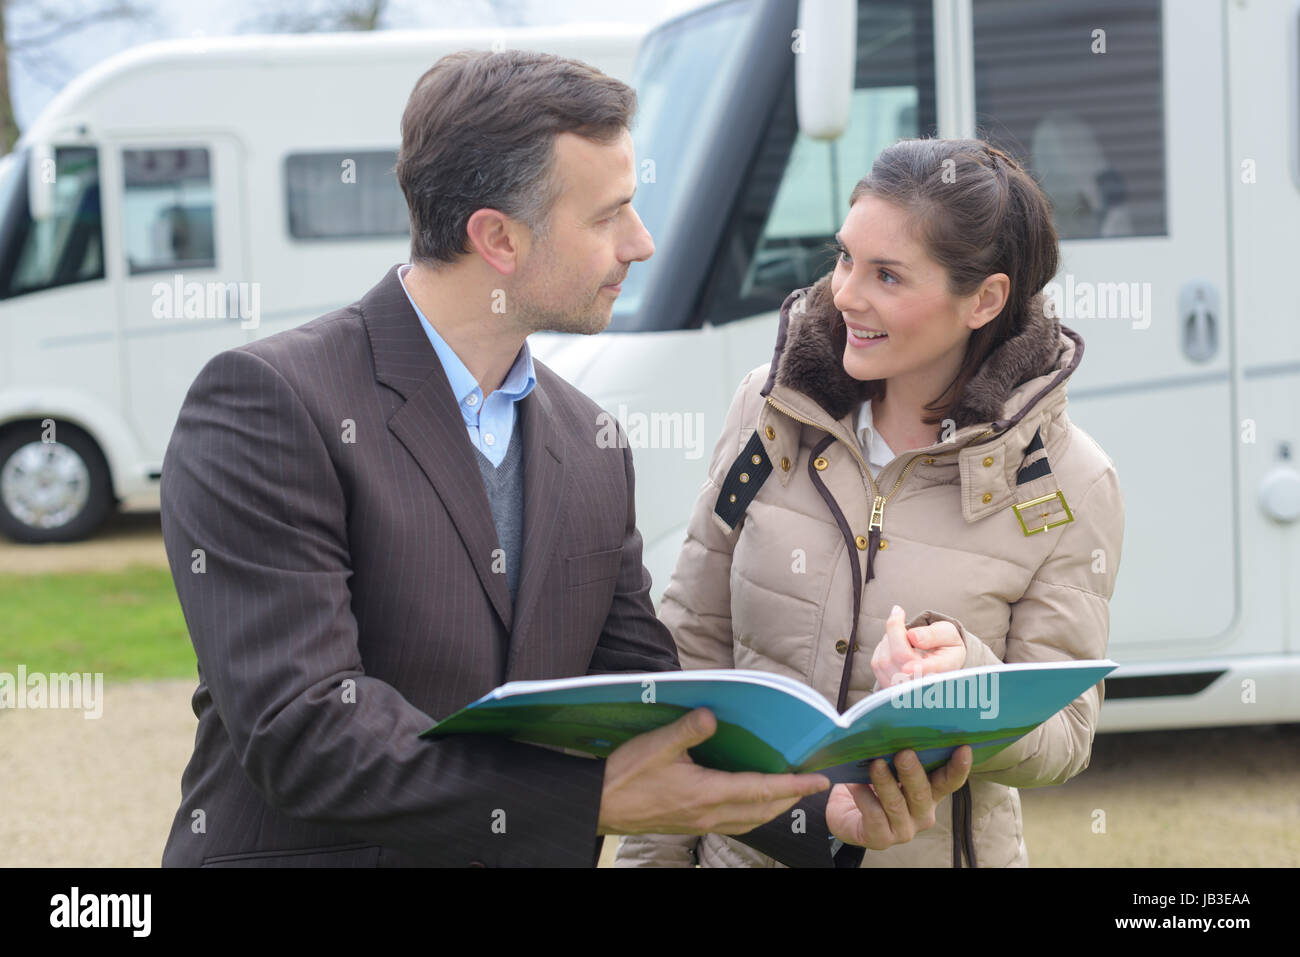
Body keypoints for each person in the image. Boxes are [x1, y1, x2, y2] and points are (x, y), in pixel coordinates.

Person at [158, 51, 972, 868]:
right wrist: (588, 799)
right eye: (608, 216)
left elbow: (654, 703)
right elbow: (302, 727)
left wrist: (823, 812)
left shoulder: (589, 439)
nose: (641, 242)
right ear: (498, 239)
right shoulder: (267, 403)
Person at [616, 137, 1125, 868]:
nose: (846, 292)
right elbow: (691, 654)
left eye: (887, 274)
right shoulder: (766, 408)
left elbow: (1065, 741)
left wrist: (973, 682)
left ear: (985, 299)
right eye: (845, 257)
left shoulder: (1075, 482)